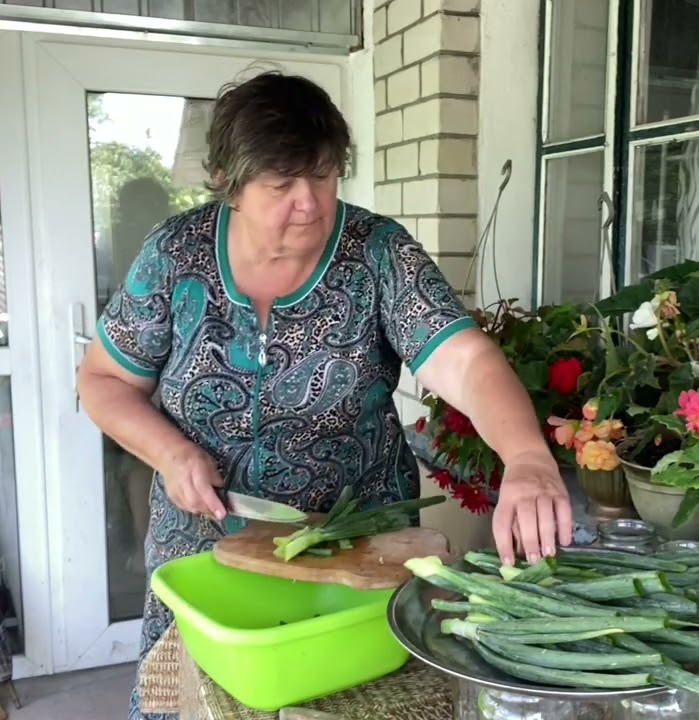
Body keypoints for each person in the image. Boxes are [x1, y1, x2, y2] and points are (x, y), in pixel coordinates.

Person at [74, 71, 572, 720]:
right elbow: (103, 381)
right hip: (208, 553)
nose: (308, 203)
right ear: (228, 182)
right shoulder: (176, 255)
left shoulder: (380, 255)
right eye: (281, 185)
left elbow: (468, 361)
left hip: (355, 557)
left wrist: (527, 459)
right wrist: (171, 454)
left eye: (324, 175)